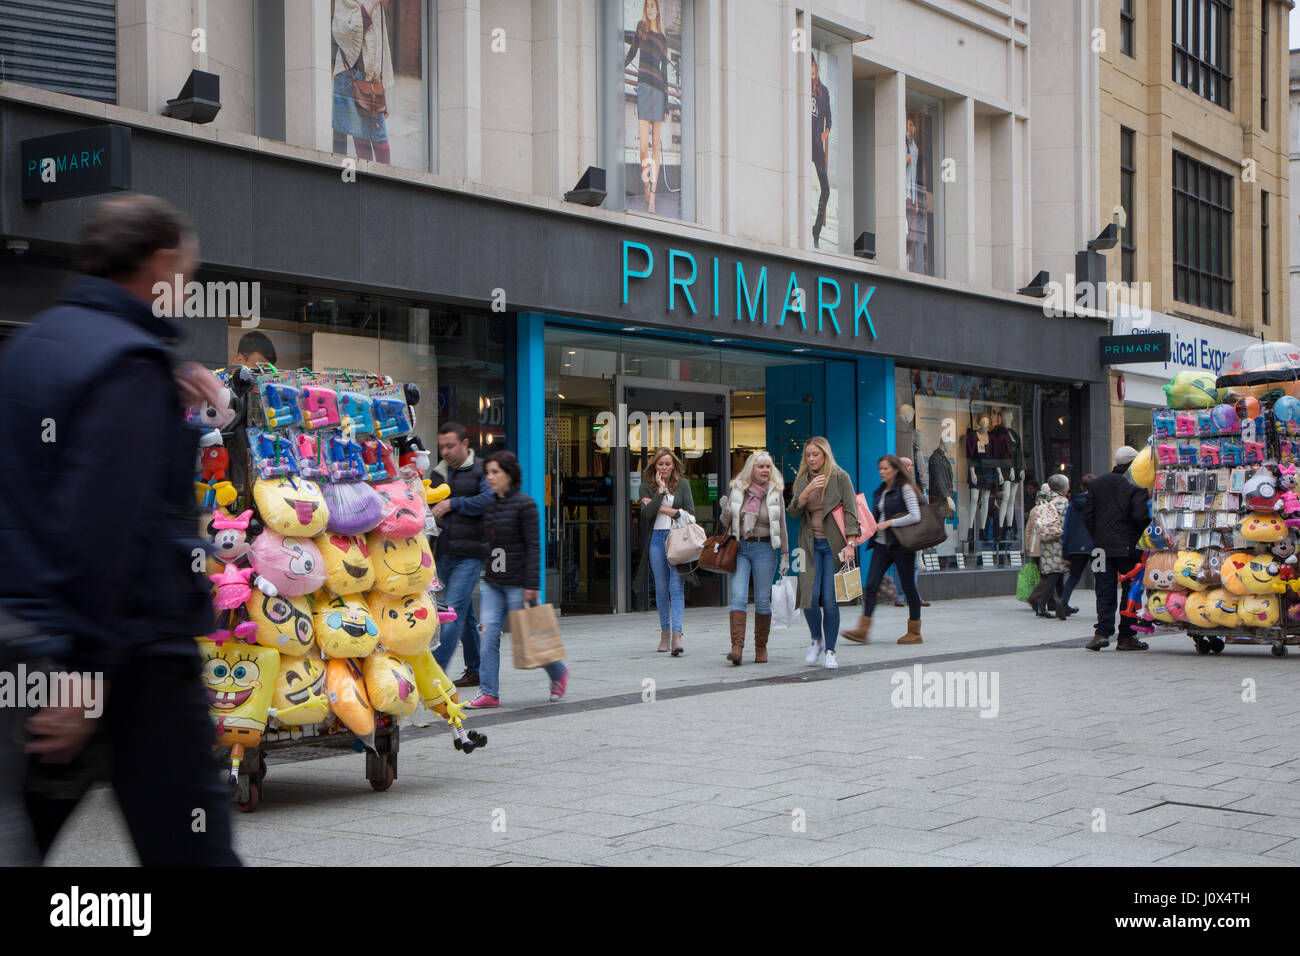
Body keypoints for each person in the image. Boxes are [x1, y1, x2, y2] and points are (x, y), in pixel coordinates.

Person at [0, 194, 238, 865]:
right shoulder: (128, 365)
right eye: (187, 276)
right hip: (131, 657)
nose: (185, 293)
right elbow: (101, 527)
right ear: (161, 263)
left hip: (27, 641)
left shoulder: (31, 346)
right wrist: (82, 674)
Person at [464, 451, 567, 708]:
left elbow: (534, 546)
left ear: (510, 474)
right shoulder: (489, 505)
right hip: (494, 583)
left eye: (495, 472)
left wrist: (532, 585)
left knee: (530, 636)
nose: (490, 477)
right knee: (487, 635)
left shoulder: (526, 504)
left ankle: (558, 672)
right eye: (487, 472)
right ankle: (489, 692)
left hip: (519, 584)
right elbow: (486, 542)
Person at [429, 422, 492, 686]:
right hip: (442, 552)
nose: (445, 451)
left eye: (451, 446)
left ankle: (436, 674)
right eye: (442, 446)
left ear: (465, 444)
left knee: (450, 612)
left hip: (469, 554)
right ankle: (476, 669)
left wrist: (452, 503)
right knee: (464, 613)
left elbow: (489, 500)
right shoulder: (438, 473)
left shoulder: (482, 470)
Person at [789, 437, 858, 669]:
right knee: (808, 597)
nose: (811, 459)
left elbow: (851, 511)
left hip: (834, 547)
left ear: (825, 455)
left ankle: (830, 651)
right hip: (808, 545)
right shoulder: (802, 479)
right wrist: (806, 491)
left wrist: (851, 543)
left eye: (815, 454)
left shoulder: (840, 477)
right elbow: (793, 511)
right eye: (807, 455)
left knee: (829, 599)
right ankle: (816, 640)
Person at [717, 451, 790, 665]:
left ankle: (761, 647)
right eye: (761, 467)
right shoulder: (738, 490)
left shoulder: (775, 493)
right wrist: (725, 509)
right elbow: (726, 522)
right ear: (752, 469)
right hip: (741, 548)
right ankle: (736, 647)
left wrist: (785, 555)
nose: (765, 470)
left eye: (768, 466)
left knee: (761, 600)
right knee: (739, 595)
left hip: (765, 549)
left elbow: (782, 526)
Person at [845, 455, 925, 646]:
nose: (882, 472)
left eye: (886, 469)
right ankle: (863, 630)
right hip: (881, 545)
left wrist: (889, 523)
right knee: (871, 584)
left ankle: (914, 632)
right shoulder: (880, 491)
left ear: (896, 469)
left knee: (908, 587)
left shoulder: (904, 489)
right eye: (880, 468)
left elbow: (915, 516)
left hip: (901, 544)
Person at [1083, 446, 1151, 651]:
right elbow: (1140, 517)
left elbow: (1088, 516)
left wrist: (1098, 537)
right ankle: (1126, 636)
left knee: (1103, 589)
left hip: (1100, 549)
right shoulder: (1136, 483)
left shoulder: (1097, 483)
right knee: (1130, 590)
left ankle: (1101, 632)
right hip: (1128, 547)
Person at [636, 447, 695, 655]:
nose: (664, 468)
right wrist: (660, 492)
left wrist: (664, 508)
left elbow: (690, 515)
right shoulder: (646, 487)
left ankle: (677, 636)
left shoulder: (683, 485)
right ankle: (665, 634)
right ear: (654, 466)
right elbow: (647, 514)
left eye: (667, 464)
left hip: (677, 538)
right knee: (661, 589)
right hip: (657, 539)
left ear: (674, 465)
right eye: (660, 464)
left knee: (676, 587)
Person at [331, 0, 395, 164]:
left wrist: (382, 91)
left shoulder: (379, 7)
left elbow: (381, 48)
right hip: (350, 77)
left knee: (381, 146)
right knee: (363, 144)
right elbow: (343, 32)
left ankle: (382, 185)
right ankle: (368, 186)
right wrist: (370, 4)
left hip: (370, 82)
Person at [624, 0, 670, 213]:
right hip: (643, 88)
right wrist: (620, 66)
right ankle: (645, 184)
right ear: (646, 9)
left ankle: (652, 195)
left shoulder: (662, 39)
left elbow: (665, 73)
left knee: (656, 147)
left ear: (657, 9)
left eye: (653, 5)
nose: (650, 8)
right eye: (648, 5)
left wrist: (667, 103)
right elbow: (632, 52)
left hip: (659, 91)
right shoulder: (640, 29)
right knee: (644, 148)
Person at [890, 457, 930, 608]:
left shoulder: (910, 484)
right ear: (905, 467)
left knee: (912, 564)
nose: (912, 468)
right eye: (910, 466)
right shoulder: (895, 485)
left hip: (912, 530)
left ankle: (913, 596)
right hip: (900, 530)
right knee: (900, 564)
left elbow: (922, 502)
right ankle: (900, 595)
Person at [1030, 475, 1072, 619]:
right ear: (1063, 488)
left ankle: (1063, 604)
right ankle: (1042, 606)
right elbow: (1066, 523)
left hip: (1045, 540)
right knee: (1054, 574)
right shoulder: (1062, 502)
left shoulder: (1044, 499)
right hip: (1058, 542)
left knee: (1056, 573)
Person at [1058, 473, 1095, 619]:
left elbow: (1067, 526)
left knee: (1074, 576)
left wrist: (1066, 549)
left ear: (1081, 486)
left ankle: (1063, 600)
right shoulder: (1099, 502)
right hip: (1096, 546)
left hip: (1076, 546)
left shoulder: (1073, 503)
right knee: (1102, 577)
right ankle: (1102, 608)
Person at [810, 54, 832, 248]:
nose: (810, 70)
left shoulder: (823, 92)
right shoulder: (803, 88)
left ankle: (816, 230)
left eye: (812, 65)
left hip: (816, 146)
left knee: (826, 189)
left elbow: (829, 119)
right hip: (802, 144)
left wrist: (825, 133)